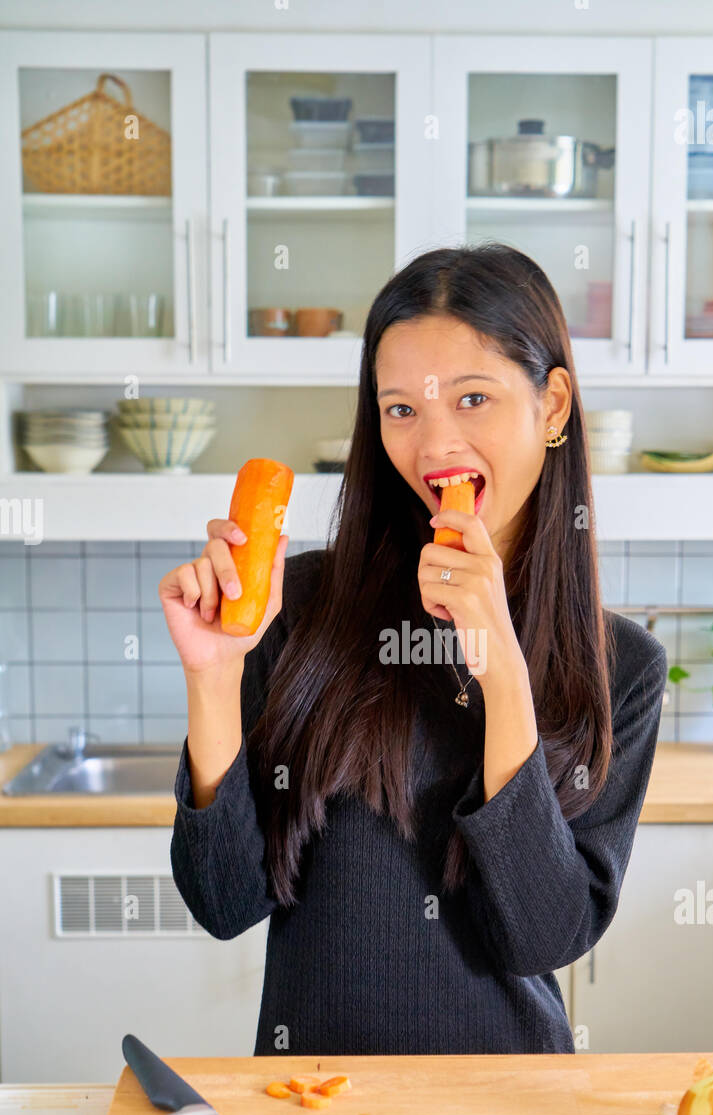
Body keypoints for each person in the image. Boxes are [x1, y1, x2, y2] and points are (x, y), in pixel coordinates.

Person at [160, 242, 667, 1056]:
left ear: (553, 406)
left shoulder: (623, 664)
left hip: (507, 1107)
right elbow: (224, 904)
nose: (434, 448)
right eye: (401, 409)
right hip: (311, 1103)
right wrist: (213, 679)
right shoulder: (299, 610)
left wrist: (502, 672)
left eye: (472, 398)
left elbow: (543, 936)